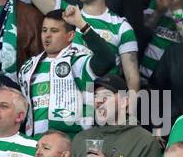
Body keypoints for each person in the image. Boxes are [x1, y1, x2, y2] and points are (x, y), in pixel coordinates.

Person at [14, 8, 118, 137]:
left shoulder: (77, 61)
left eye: (54, 31)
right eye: (44, 30)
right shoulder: (28, 67)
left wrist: (81, 24)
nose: (47, 35)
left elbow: (106, 59)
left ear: (70, 36)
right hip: (36, 145)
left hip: (72, 142)